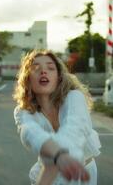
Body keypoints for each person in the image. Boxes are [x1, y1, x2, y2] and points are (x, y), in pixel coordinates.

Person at [13, 50, 101, 185]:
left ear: (58, 77)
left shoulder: (74, 97)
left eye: (50, 68)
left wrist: (57, 159)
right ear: (28, 79)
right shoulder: (23, 111)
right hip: (48, 176)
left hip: (83, 174)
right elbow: (30, 133)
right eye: (36, 68)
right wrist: (57, 159)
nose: (43, 71)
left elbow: (74, 132)